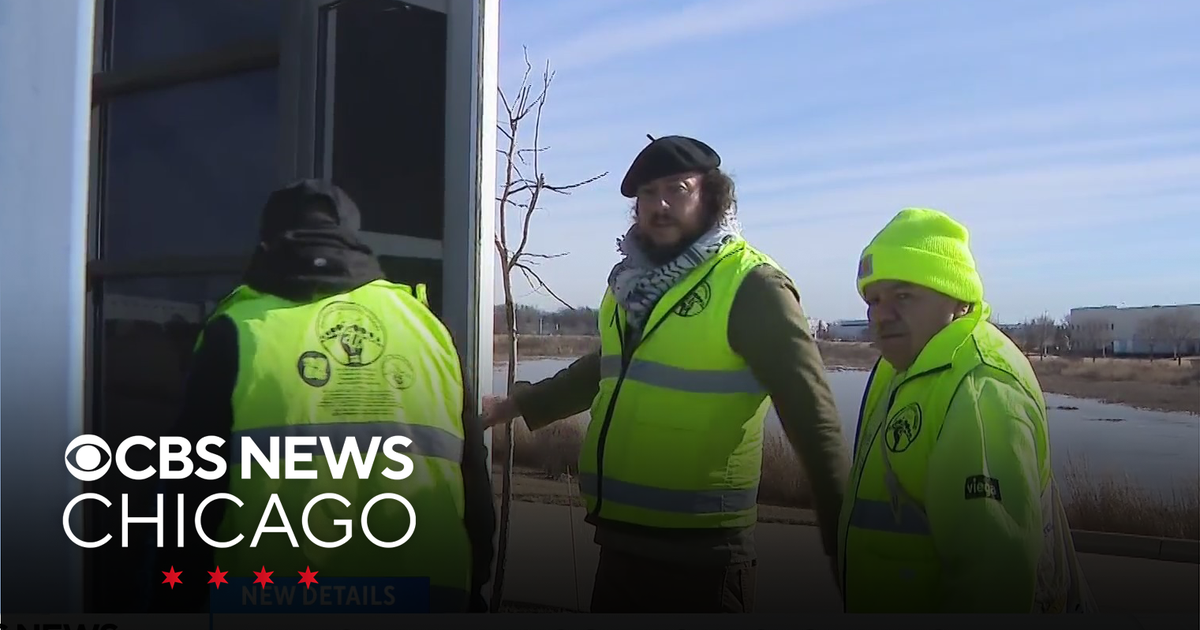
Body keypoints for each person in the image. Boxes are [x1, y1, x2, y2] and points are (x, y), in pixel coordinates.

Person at [483, 135, 853, 613]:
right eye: (647, 193)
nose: (658, 205)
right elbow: (608, 367)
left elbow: (812, 413)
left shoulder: (752, 285)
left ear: (713, 196)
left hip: (702, 559)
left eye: (677, 189)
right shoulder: (630, 284)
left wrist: (842, 536)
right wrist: (516, 404)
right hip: (620, 544)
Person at [143, 179, 495, 613]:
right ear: (351, 239)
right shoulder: (428, 330)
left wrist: (172, 599)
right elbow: (475, 487)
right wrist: (473, 593)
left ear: (268, 243)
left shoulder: (236, 331)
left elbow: (190, 498)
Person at [838, 207, 1097, 613]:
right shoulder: (901, 367)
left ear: (957, 299)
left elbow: (992, 581)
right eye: (873, 299)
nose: (880, 315)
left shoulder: (980, 386)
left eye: (903, 296)